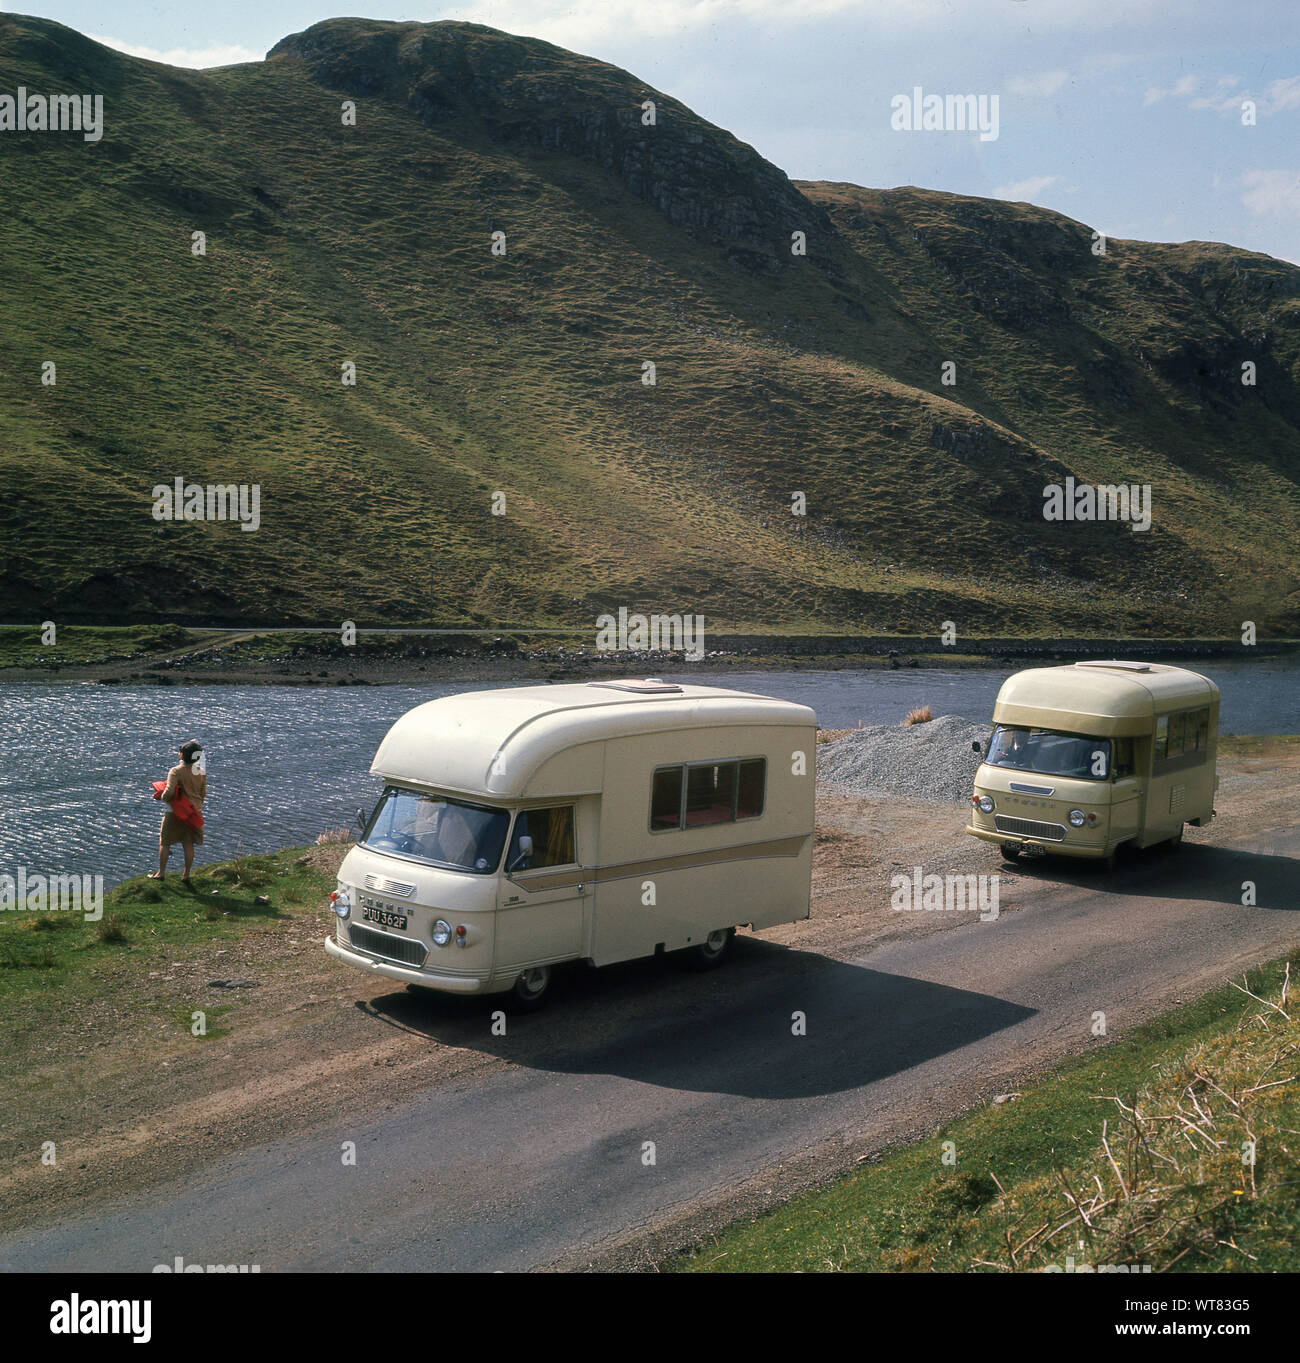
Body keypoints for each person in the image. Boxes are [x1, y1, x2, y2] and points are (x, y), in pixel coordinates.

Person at [150, 740, 206, 886]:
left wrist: (160, 797)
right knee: (188, 843)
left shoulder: (175, 771)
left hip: (175, 812)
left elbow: (169, 792)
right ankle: (186, 875)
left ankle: (161, 873)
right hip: (193, 812)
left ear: (181, 755)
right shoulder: (200, 771)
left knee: (165, 841)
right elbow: (202, 793)